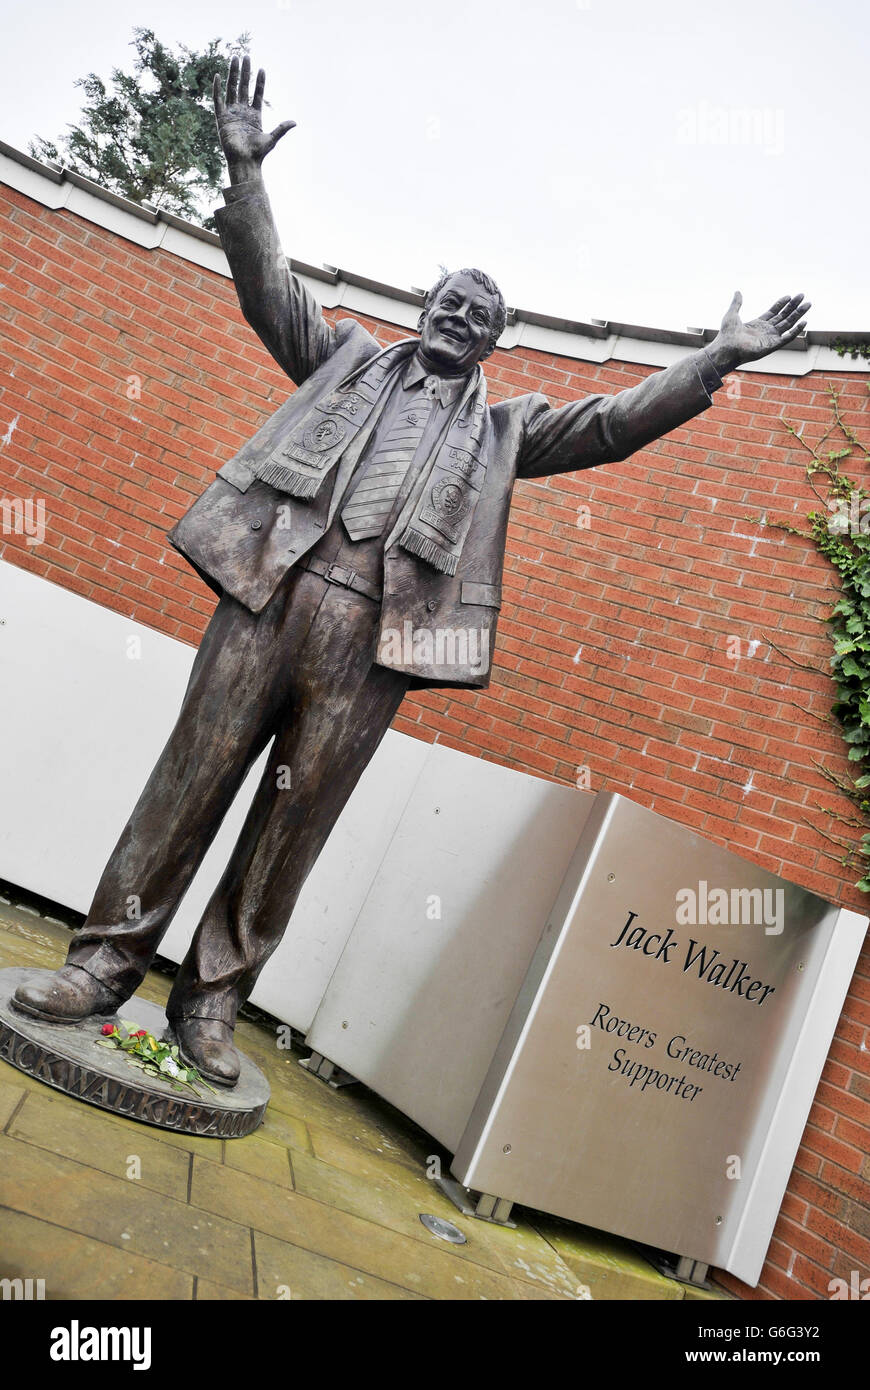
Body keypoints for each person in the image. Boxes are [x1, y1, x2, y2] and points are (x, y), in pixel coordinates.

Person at [13, 57, 810, 1085]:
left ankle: (211, 1007)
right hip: (271, 596)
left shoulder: (508, 430)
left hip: (377, 646)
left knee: (292, 827)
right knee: (189, 780)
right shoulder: (341, 355)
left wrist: (714, 360)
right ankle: (100, 967)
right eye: (450, 299)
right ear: (426, 307)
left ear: (494, 343)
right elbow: (265, 288)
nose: (460, 316)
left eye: (481, 314)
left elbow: (613, 424)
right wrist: (246, 175)